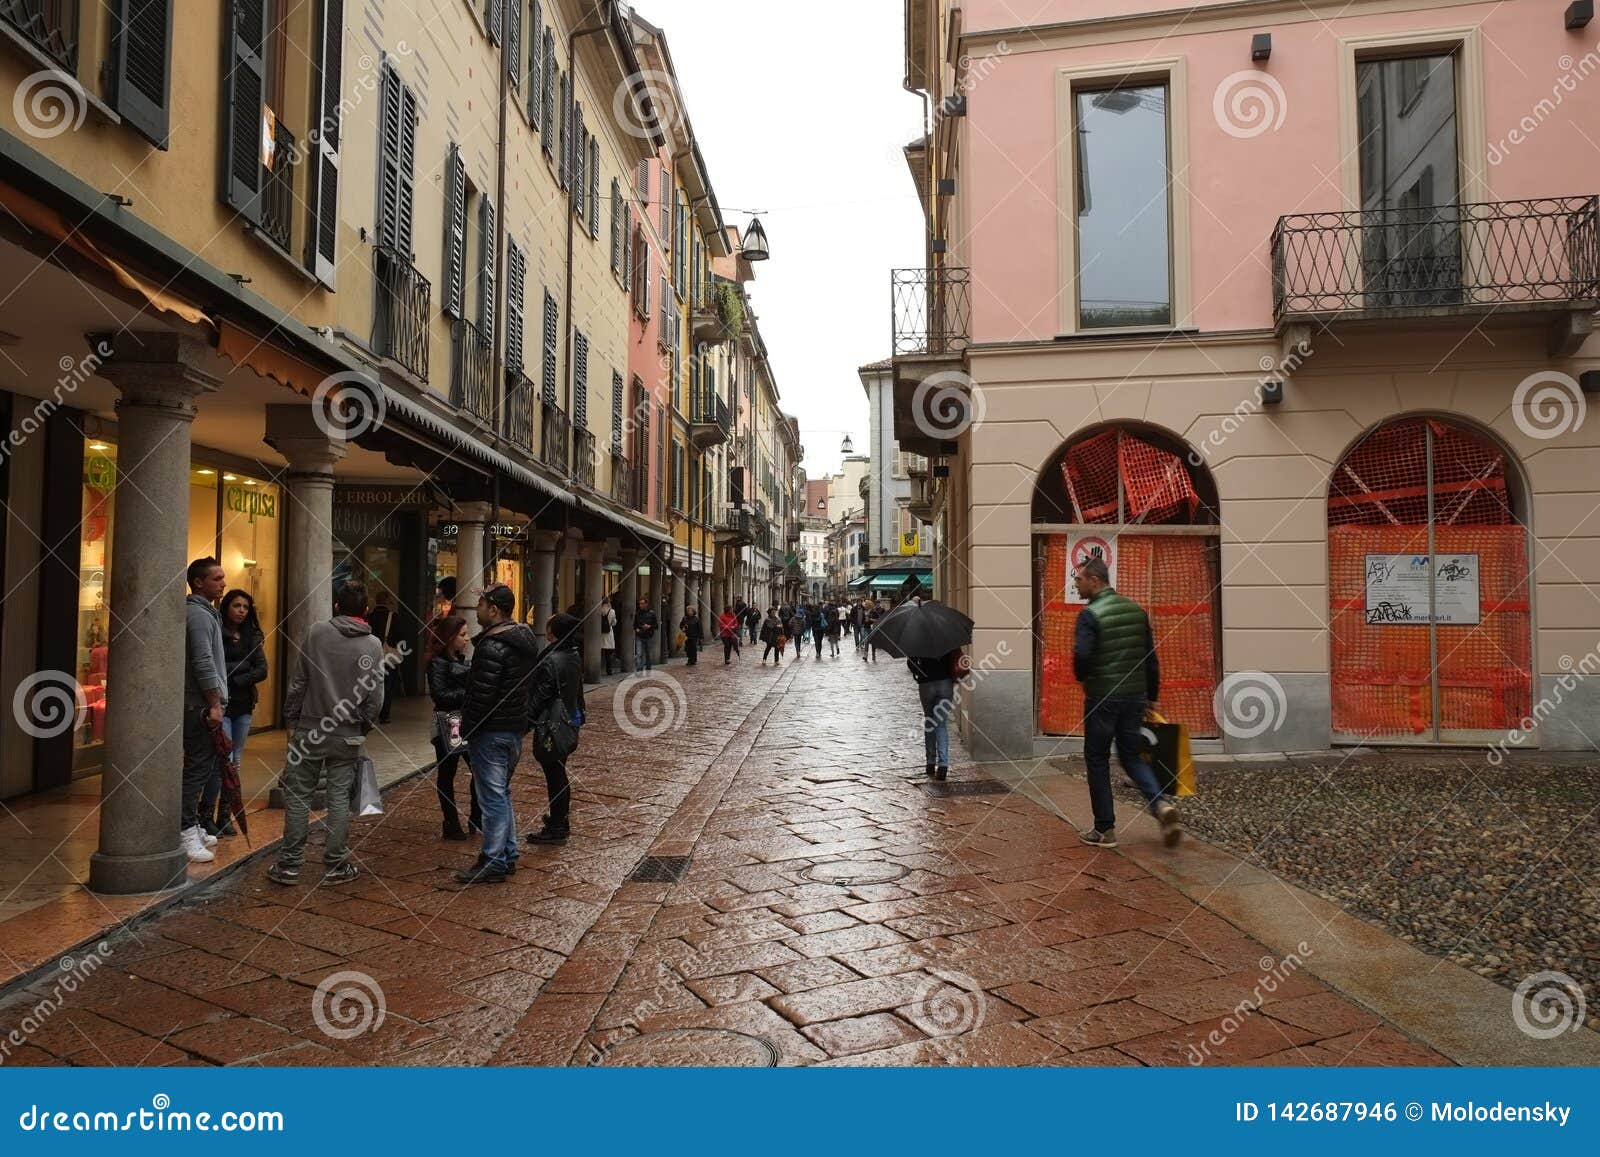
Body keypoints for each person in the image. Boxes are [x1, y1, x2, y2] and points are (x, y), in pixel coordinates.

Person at [268, 580, 385, 886]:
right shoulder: (372, 645)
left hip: (311, 726)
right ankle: (335, 864)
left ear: (336, 606)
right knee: (338, 798)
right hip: (346, 732)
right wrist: (364, 723)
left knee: (298, 796)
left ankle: (289, 865)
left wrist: (291, 718)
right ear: (366, 610)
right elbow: (375, 696)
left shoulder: (316, 632)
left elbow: (299, 680)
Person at [1071, 557, 1183, 850]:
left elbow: (1082, 656)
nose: (1076, 584)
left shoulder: (1090, 614)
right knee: (1131, 756)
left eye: (1079, 579)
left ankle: (1104, 830)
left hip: (1103, 697)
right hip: (1134, 697)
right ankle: (1160, 806)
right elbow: (1150, 657)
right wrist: (1152, 695)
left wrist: (1084, 678)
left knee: (1097, 759)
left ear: (1095, 580)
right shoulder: (1136, 610)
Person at [456, 583, 542, 884]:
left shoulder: (491, 647)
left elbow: (482, 695)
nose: (475, 609)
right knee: (500, 795)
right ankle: (507, 853)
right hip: (512, 729)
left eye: (480, 604)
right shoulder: (524, 640)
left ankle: (492, 859)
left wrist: (468, 728)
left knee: (491, 798)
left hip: (491, 732)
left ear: (493, 609)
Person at [206, 588, 266, 838]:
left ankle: (225, 815)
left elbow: (262, 669)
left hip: (243, 706)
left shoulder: (251, 634)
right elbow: (213, 666)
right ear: (227, 607)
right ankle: (206, 816)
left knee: (235, 761)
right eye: (236, 606)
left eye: (245, 607)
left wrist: (238, 676)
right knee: (224, 761)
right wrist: (243, 670)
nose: (241, 611)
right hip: (222, 705)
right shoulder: (217, 631)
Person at [179, 558, 227, 864]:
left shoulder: (207, 613)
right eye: (217, 578)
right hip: (198, 705)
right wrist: (213, 703)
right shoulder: (198, 615)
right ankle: (184, 830)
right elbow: (202, 660)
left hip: (201, 703)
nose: (223, 582)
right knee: (197, 770)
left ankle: (192, 824)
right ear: (198, 582)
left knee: (204, 767)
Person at [525, 612, 585, 845]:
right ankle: (560, 818)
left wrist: (526, 721)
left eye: (549, 625)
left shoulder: (552, 658)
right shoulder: (573, 654)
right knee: (558, 770)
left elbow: (541, 694)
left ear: (554, 632)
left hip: (553, 721)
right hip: (568, 718)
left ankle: (558, 825)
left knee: (554, 772)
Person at [425, 614, 480, 840]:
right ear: (449, 638)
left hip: (464, 722)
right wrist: (469, 693)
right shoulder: (437, 663)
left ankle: (476, 816)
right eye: (462, 635)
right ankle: (451, 821)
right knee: (447, 774)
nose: (466, 639)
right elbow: (441, 696)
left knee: (478, 770)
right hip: (448, 723)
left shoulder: (459, 661)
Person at [909, 647, 967, 781]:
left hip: (926, 684)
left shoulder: (918, 640)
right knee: (940, 725)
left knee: (929, 722)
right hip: (945, 684)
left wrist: (920, 673)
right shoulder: (947, 639)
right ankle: (943, 765)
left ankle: (930, 762)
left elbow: (911, 663)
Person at [368, 590, 401, 724]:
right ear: (387, 602)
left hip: (370, 654)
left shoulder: (369, 616)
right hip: (388, 655)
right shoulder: (394, 617)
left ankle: (370, 713)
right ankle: (384, 714)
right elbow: (400, 636)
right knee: (388, 684)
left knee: (369, 684)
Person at [635, 597, 658, 672]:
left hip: (649, 636)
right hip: (639, 635)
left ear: (646, 604)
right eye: (639, 604)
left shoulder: (652, 613)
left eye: (642, 603)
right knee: (639, 653)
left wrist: (649, 626)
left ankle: (648, 667)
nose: (640, 605)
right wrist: (636, 629)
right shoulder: (637, 613)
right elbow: (634, 625)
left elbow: (656, 625)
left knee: (648, 653)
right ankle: (639, 668)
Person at [599, 596, 617, 675]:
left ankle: (597, 669)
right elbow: (613, 623)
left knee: (599, 652)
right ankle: (608, 670)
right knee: (608, 654)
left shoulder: (599, 609)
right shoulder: (612, 611)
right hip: (608, 633)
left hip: (599, 633)